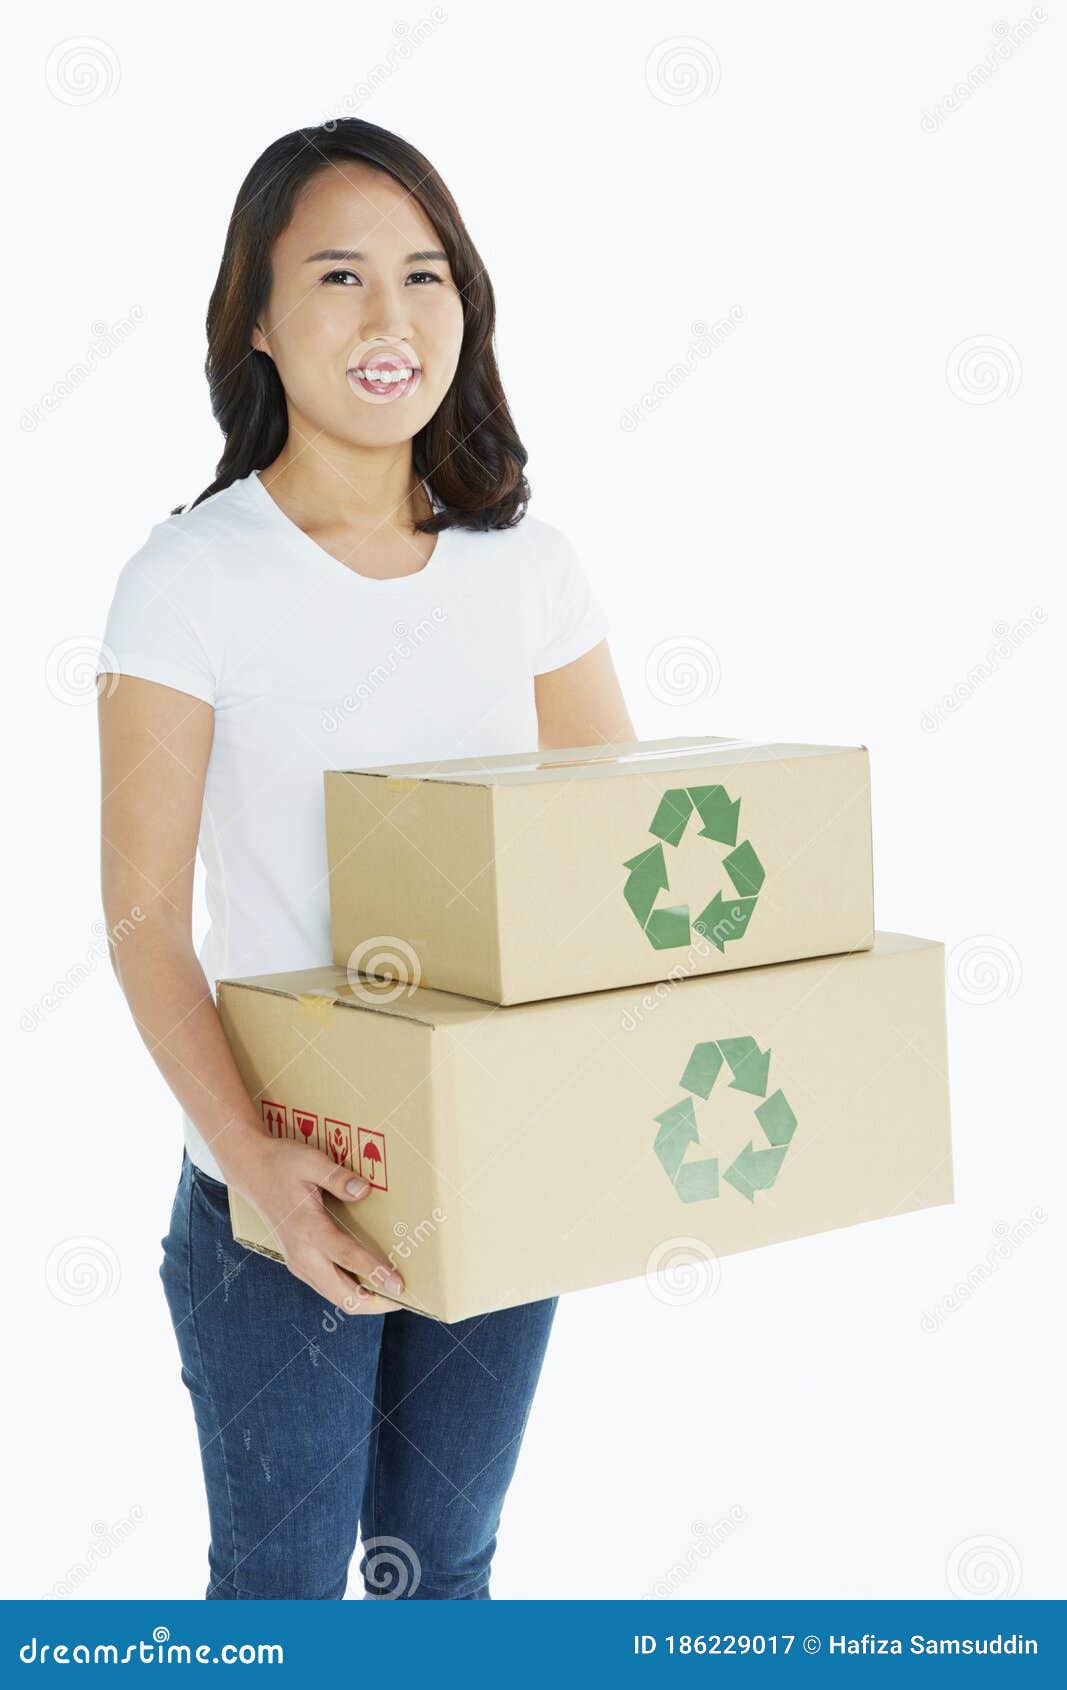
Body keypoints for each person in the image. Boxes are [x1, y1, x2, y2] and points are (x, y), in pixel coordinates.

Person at [95, 118, 635, 1600]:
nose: (393, 318)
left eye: (426, 273)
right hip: (278, 1188)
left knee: (441, 1566)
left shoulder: (529, 568)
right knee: (279, 1587)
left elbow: (609, 862)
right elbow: (144, 915)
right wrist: (262, 1166)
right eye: (339, 275)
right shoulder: (191, 581)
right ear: (256, 319)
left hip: (493, 1166)